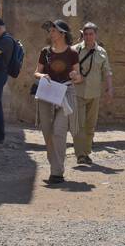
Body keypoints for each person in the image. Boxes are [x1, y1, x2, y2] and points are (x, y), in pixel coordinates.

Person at [34, 20, 83, 185]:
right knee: (47, 133)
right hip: (47, 94)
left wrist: (74, 76)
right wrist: (43, 76)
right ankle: (54, 167)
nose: (51, 33)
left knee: (58, 132)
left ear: (62, 33)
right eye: (51, 31)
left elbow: (79, 76)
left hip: (65, 94)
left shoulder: (72, 53)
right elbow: (36, 73)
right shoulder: (45, 52)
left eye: (53, 31)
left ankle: (57, 172)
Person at [70, 22, 114, 165]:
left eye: (91, 34)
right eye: (86, 34)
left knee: (90, 126)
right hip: (77, 92)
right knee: (79, 124)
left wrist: (110, 89)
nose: (88, 37)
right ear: (83, 34)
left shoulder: (102, 52)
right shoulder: (74, 50)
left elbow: (107, 71)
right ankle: (80, 155)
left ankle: (86, 152)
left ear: (95, 35)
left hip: (94, 94)